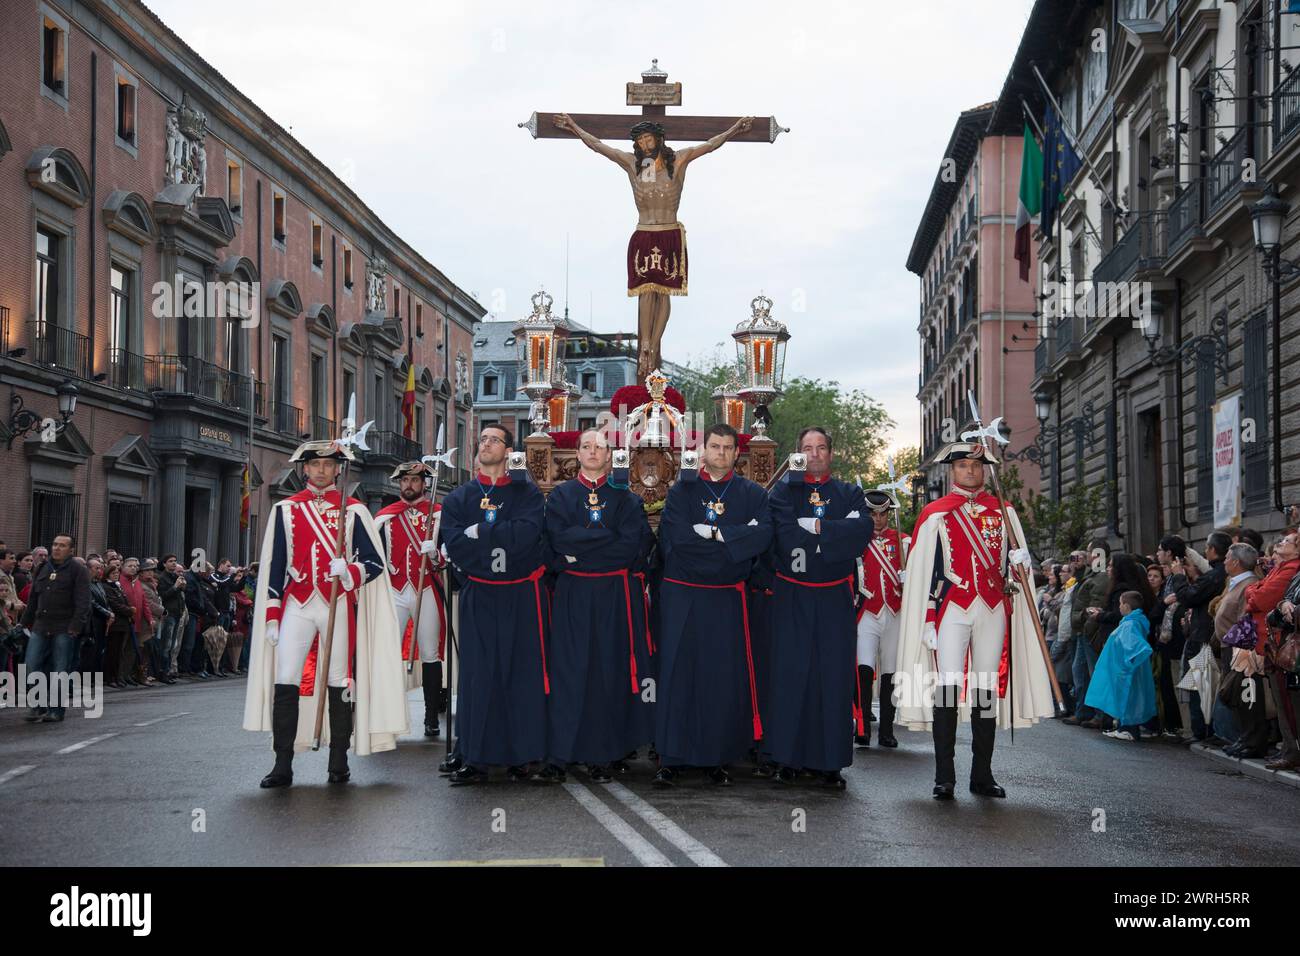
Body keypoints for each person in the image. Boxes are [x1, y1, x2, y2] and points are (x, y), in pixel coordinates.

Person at [242, 438, 406, 788]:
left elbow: (375, 563)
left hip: (338, 603)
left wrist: (350, 571)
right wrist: (272, 614)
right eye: (315, 465)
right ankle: (282, 763)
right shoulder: (286, 510)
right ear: (305, 469)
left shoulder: (354, 510)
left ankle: (339, 761)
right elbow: (274, 567)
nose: (321, 470)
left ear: (337, 470)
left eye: (328, 465)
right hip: (297, 604)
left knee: (339, 682)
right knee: (285, 679)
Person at [894, 443, 1054, 800]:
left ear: (985, 470)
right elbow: (927, 570)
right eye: (963, 465)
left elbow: (1017, 571)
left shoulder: (1003, 511)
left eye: (976, 466)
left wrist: (1021, 561)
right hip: (953, 606)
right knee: (947, 688)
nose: (970, 471)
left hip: (993, 606)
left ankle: (982, 774)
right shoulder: (936, 513)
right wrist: (928, 617)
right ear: (953, 470)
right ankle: (944, 776)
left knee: (984, 690)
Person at [653, 423, 773, 787]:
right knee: (677, 675)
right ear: (703, 450)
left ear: (737, 453)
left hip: (725, 598)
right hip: (683, 596)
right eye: (715, 446)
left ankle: (716, 757)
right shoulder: (682, 490)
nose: (721, 453)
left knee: (720, 678)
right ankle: (670, 758)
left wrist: (719, 535)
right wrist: (732, 546)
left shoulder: (752, 494)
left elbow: (763, 536)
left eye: (727, 448)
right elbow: (676, 539)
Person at [438, 424, 550, 785]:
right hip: (480, 593)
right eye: (482, 439)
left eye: (494, 439)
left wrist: (481, 533)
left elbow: (525, 536)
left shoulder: (526, 494)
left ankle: (524, 756)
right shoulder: (458, 498)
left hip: (519, 594)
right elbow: (455, 545)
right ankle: (475, 756)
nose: (486, 444)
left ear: (508, 450)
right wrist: (483, 544)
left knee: (521, 675)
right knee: (478, 676)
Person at [764, 427, 874, 789]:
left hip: (833, 597)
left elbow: (861, 532)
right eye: (807, 448)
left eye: (821, 447)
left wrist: (814, 528)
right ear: (799, 453)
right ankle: (786, 758)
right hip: (792, 594)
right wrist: (832, 536)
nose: (814, 454)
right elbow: (784, 536)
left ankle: (830, 762)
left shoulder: (849, 492)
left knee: (832, 677)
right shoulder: (784, 491)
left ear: (831, 453)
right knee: (791, 676)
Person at [543, 429, 654, 782]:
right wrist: (603, 539)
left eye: (600, 447)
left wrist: (581, 550)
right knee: (570, 671)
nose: (593, 452)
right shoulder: (561, 496)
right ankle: (562, 751)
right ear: (577, 454)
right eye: (587, 446)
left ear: (609, 456)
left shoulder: (626, 498)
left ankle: (603, 754)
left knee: (607, 671)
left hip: (613, 595)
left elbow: (629, 546)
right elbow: (557, 540)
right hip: (573, 594)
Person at [375, 461, 448, 739]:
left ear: (424, 484)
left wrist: (435, 555)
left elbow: (447, 554)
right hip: (394, 588)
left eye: (415, 480)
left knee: (430, 653)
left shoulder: (439, 514)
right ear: (398, 483)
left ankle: (431, 716)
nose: (409, 485)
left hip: (425, 587)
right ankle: (388, 714)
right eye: (405, 480)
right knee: (388, 651)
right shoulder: (384, 516)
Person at [1230, 535, 1300, 759]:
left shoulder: (1291, 569)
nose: (1279, 544)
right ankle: (1289, 750)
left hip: (1281, 643)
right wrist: (1274, 600)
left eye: (1286, 542)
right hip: (1271, 642)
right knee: (1279, 702)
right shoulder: (1282, 569)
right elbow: (1256, 591)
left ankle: (1290, 751)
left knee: (1286, 702)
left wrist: (1269, 599)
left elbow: (1260, 599)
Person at [854, 489, 910, 749]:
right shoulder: (856, 540)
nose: (878, 519)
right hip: (867, 611)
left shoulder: (903, 541)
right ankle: (863, 727)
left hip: (894, 611)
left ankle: (887, 730)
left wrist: (907, 576)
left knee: (890, 672)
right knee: (864, 670)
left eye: (882, 513)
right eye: (872, 514)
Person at [19, 534, 90, 722]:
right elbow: (34, 599)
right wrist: (23, 623)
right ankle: (37, 706)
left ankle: (56, 710)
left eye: (62, 545)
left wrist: (76, 626)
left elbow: (83, 601)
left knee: (60, 670)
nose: (57, 548)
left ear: (71, 550)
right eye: (55, 544)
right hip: (40, 625)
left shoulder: (78, 570)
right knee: (31, 665)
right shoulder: (43, 567)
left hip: (64, 626)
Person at [1172, 531, 1231, 741]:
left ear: (1213, 550)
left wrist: (1179, 576)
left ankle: (1203, 732)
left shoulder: (1217, 574)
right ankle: (1205, 730)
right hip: (1205, 634)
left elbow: (1190, 596)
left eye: (1207, 547)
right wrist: (1195, 577)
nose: (1205, 551)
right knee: (1203, 685)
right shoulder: (1215, 574)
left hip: (1203, 636)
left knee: (1201, 687)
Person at [1085, 590, 1156, 740]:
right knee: (1130, 696)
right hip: (1127, 668)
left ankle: (1128, 729)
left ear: (1127, 606)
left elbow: (1134, 645)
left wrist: (1128, 664)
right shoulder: (1133, 622)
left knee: (1127, 696)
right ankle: (1125, 727)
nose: (1119, 607)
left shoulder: (1129, 624)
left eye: (1120, 603)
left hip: (1124, 669)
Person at [1064, 538, 1111, 727]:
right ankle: (1082, 711)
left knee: (1093, 673)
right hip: (1083, 631)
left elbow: (1095, 603)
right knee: (1080, 672)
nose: (1087, 555)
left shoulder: (1100, 576)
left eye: (1090, 551)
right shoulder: (1092, 574)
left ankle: (1099, 715)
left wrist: (1085, 623)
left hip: (1090, 632)